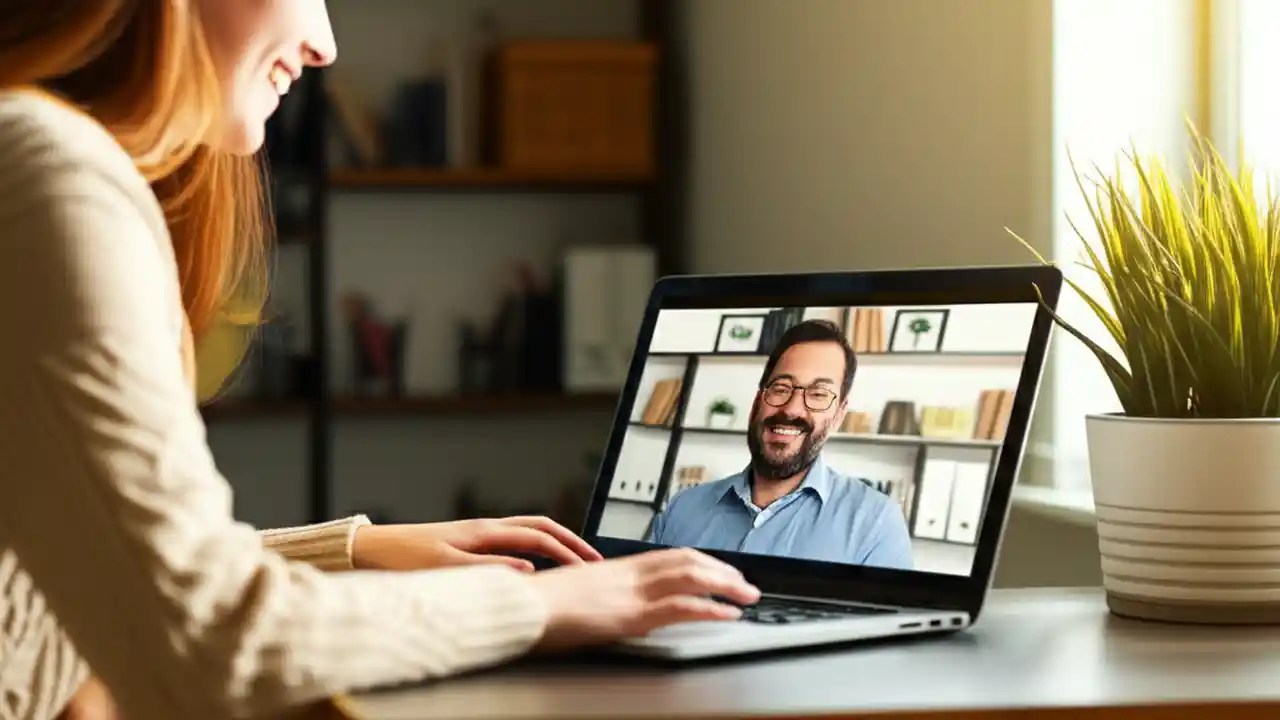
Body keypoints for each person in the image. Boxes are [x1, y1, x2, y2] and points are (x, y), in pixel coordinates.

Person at [0, 2, 761, 719]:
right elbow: (207, 643)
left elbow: (91, 573)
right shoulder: (48, 172)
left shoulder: (36, 156)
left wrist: (357, 552)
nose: (325, 45)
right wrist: (560, 605)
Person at [646, 320, 914, 570]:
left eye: (819, 394)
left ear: (838, 416)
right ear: (756, 403)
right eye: (781, 388)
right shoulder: (682, 508)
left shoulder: (877, 524)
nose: (792, 409)